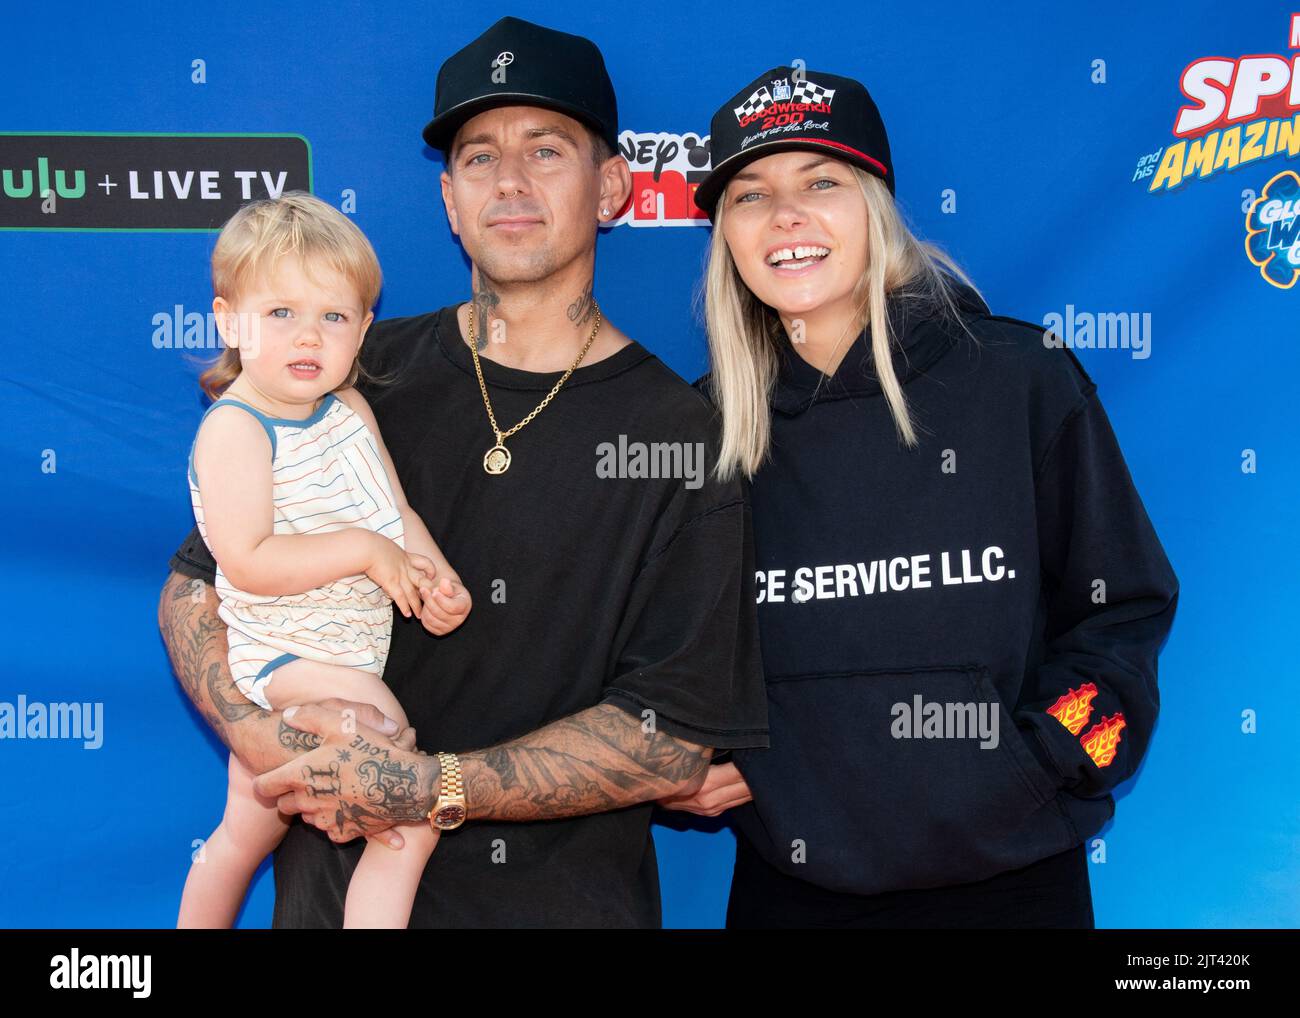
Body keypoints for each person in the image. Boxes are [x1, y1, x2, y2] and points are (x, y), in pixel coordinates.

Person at [157, 16, 769, 928]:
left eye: (547, 149)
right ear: (449, 199)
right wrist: (265, 742)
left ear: (612, 187)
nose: (511, 182)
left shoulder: (684, 434)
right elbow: (198, 587)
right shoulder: (345, 367)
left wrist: (426, 786)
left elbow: (670, 741)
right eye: (480, 157)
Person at [658, 66, 1178, 928]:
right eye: (750, 194)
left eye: (820, 182)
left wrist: (1040, 761)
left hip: (1015, 882)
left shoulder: (1022, 380)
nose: (787, 217)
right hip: (794, 890)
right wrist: (705, 759)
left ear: (875, 204)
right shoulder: (703, 429)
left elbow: (1122, 616)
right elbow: (670, 656)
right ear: (724, 233)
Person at [175, 193, 471, 928]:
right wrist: (368, 554)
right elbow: (246, 562)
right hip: (283, 657)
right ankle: (308, 720)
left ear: (364, 329)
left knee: (244, 834)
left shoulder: (350, 412)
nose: (308, 337)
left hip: (344, 652)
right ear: (229, 319)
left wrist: (433, 576)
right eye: (281, 314)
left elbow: (392, 515)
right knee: (409, 811)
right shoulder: (235, 431)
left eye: (333, 317)